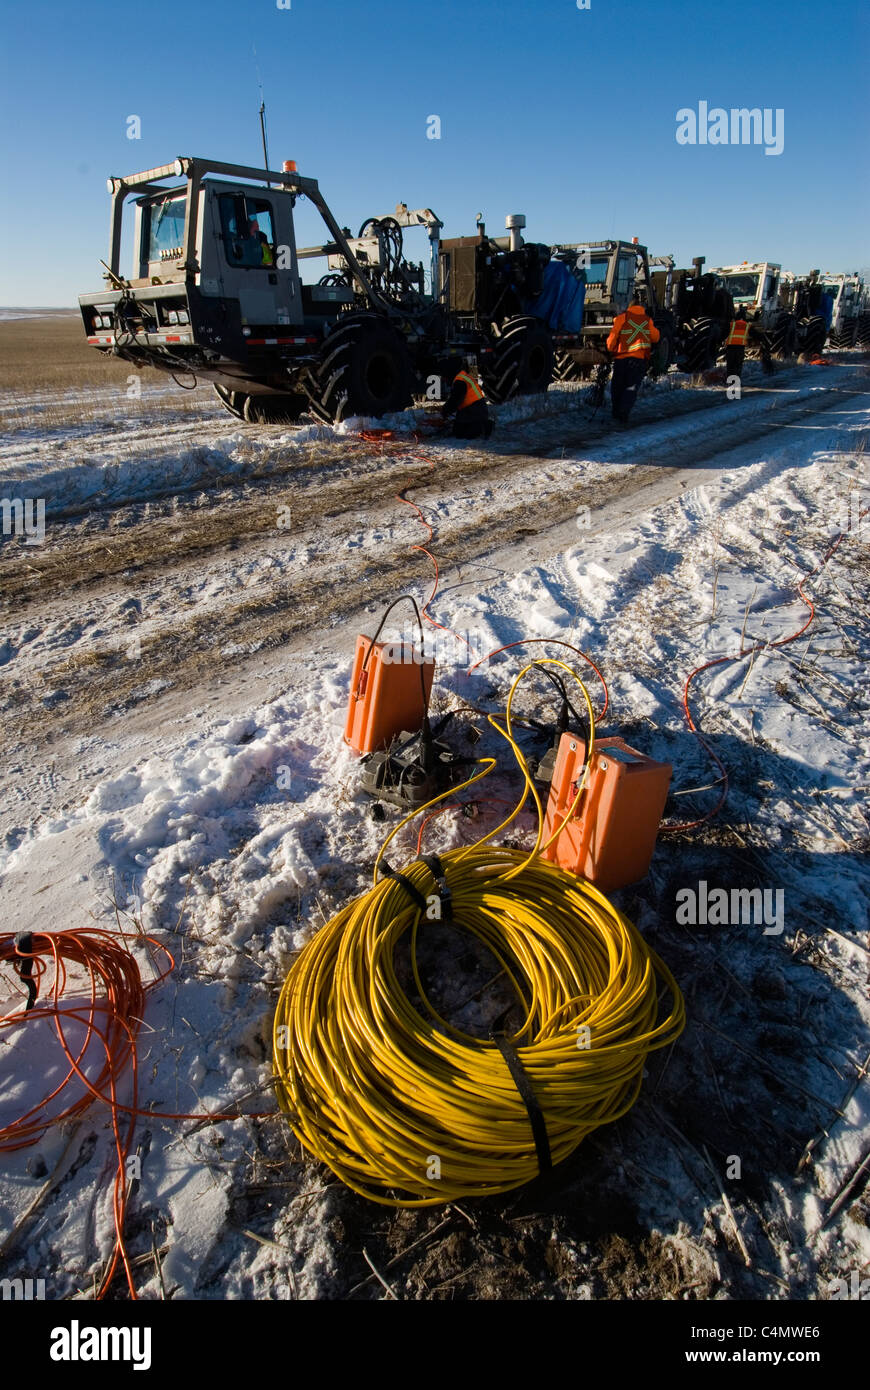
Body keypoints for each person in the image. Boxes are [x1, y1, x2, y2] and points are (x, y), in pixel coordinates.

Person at [605, 300, 660, 424]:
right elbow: (656, 337)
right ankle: (623, 413)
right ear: (641, 308)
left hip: (621, 360)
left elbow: (612, 340)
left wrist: (611, 349)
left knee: (617, 386)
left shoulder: (621, 318)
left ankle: (615, 411)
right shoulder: (647, 320)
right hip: (638, 361)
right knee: (631, 387)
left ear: (629, 307)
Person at [440, 365, 493, 440]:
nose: (444, 380)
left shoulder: (460, 382)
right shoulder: (463, 376)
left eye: (444, 377)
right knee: (458, 428)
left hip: (474, 412)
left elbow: (454, 401)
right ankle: (483, 425)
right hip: (477, 410)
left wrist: (444, 411)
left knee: (459, 434)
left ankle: (484, 426)